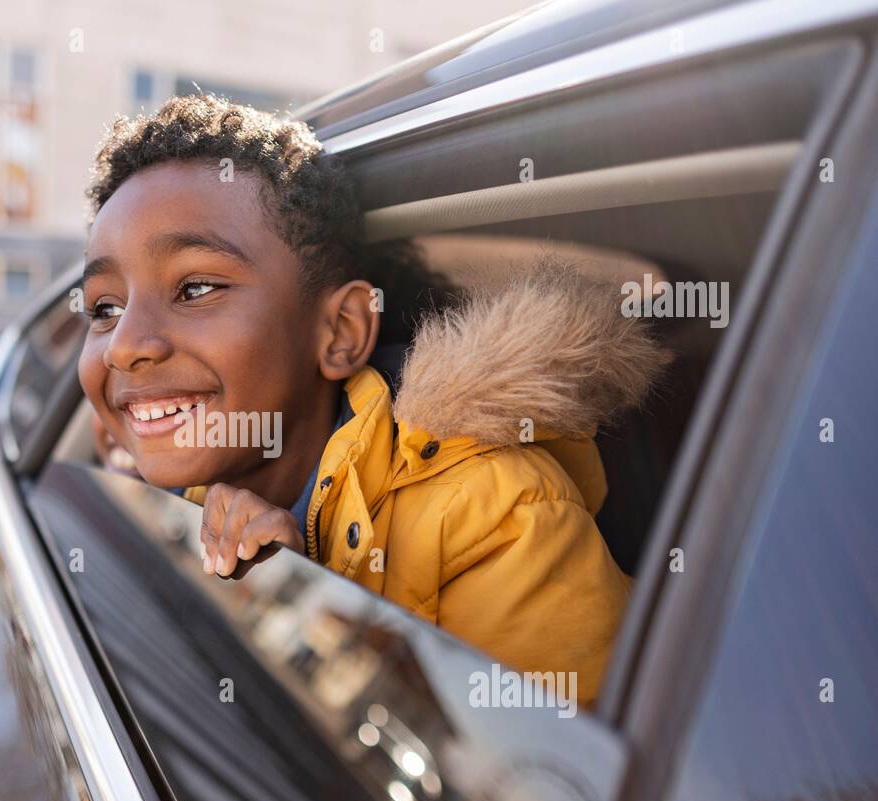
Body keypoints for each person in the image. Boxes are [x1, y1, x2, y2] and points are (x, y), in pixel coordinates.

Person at [77, 94, 668, 704]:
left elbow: (536, 785)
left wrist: (317, 592)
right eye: (104, 308)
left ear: (340, 333)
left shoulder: (494, 514)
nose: (124, 346)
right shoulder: (172, 490)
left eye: (196, 287)